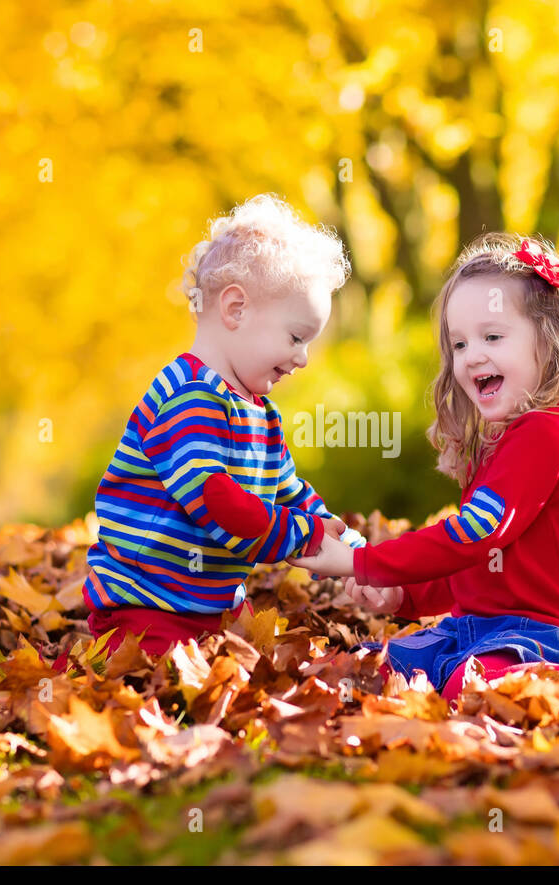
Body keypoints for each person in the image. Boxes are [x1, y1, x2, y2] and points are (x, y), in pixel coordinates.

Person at [291, 232, 559, 703]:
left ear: (548, 341)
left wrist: (364, 563)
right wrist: (406, 597)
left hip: (551, 634)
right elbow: (479, 564)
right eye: (459, 344)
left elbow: (476, 532)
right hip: (473, 628)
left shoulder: (549, 433)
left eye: (492, 336)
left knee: (476, 686)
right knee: (356, 669)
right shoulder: (499, 443)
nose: (472, 355)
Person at [57, 194, 364, 672]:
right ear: (236, 309)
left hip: (209, 603)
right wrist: (303, 535)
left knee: (255, 663)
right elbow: (218, 502)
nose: (303, 358)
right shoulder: (188, 397)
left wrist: (350, 546)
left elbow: (288, 491)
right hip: (147, 606)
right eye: (296, 337)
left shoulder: (259, 412)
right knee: (157, 675)